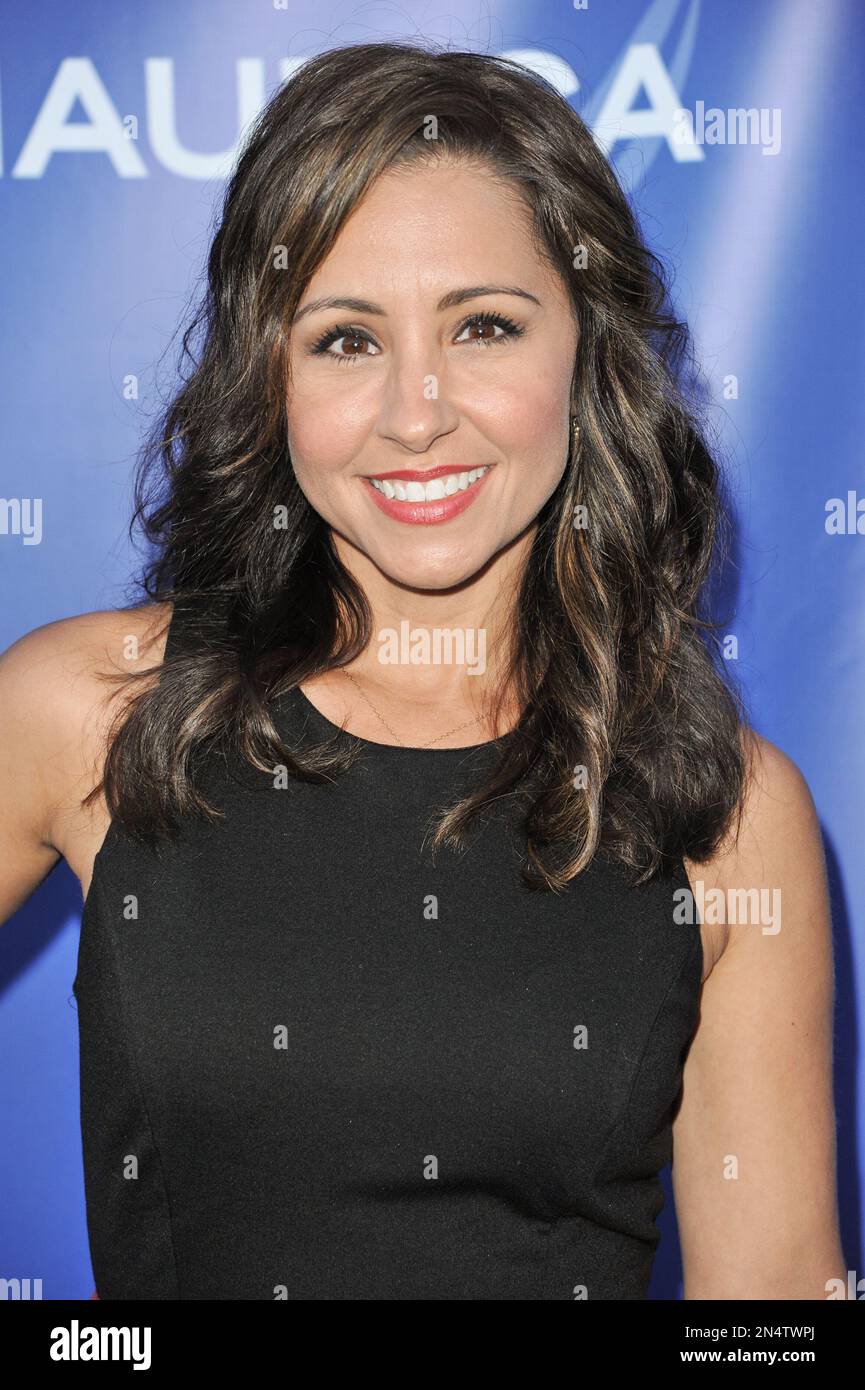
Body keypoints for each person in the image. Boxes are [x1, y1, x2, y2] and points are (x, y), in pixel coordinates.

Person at [0, 41, 845, 1300]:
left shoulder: (725, 813)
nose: (416, 410)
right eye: (345, 340)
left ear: (587, 349)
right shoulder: (93, 713)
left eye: (484, 325)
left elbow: (773, 1307)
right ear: (268, 372)